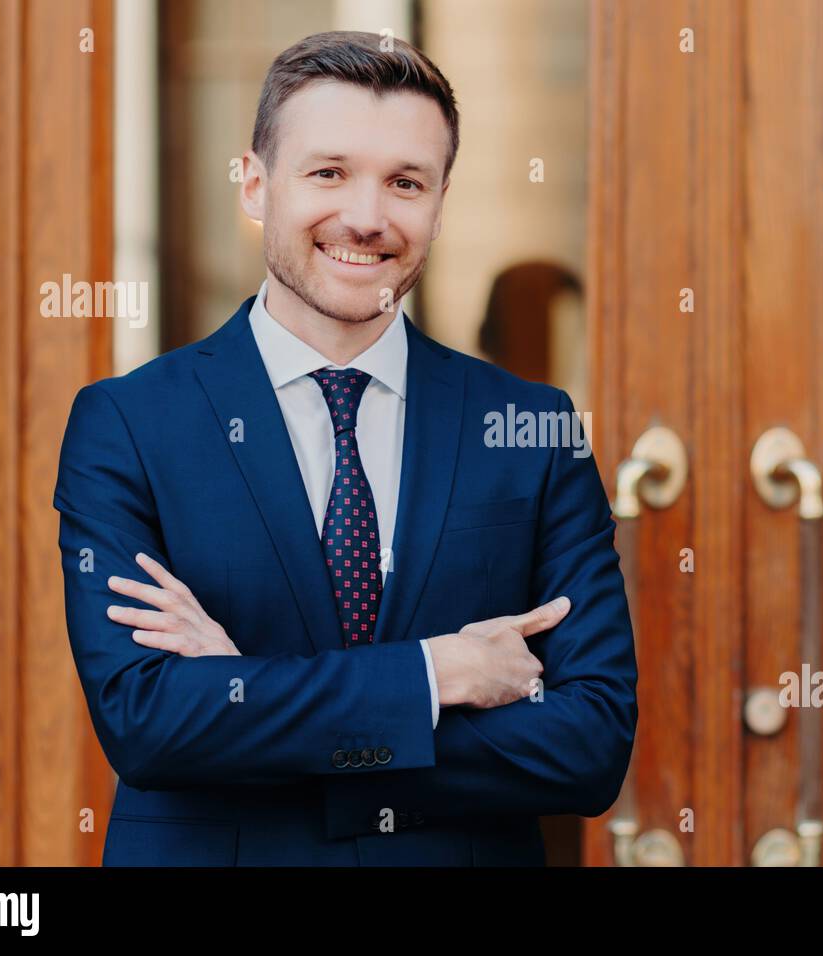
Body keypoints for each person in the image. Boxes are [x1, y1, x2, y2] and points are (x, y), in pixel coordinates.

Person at [53, 30, 637, 866]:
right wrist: (438, 677)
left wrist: (247, 695)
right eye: (328, 173)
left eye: (406, 182)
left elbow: (590, 746)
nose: (366, 217)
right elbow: (150, 726)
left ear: (440, 202)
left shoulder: (534, 430)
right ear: (255, 184)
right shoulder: (129, 426)